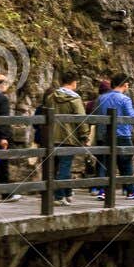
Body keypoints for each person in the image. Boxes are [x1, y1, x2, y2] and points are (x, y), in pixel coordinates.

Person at [90, 74, 134, 199]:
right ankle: (130, 190)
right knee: (126, 163)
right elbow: (132, 116)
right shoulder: (125, 99)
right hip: (122, 134)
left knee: (107, 163)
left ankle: (103, 190)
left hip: (105, 135)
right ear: (125, 84)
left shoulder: (101, 98)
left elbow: (96, 114)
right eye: (127, 84)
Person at [45, 72, 87, 203]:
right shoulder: (75, 99)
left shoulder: (51, 97)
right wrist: (84, 134)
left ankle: (67, 192)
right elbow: (81, 118)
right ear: (74, 82)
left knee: (58, 166)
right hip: (69, 137)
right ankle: (58, 196)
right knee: (65, 166)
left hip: (51, 136)